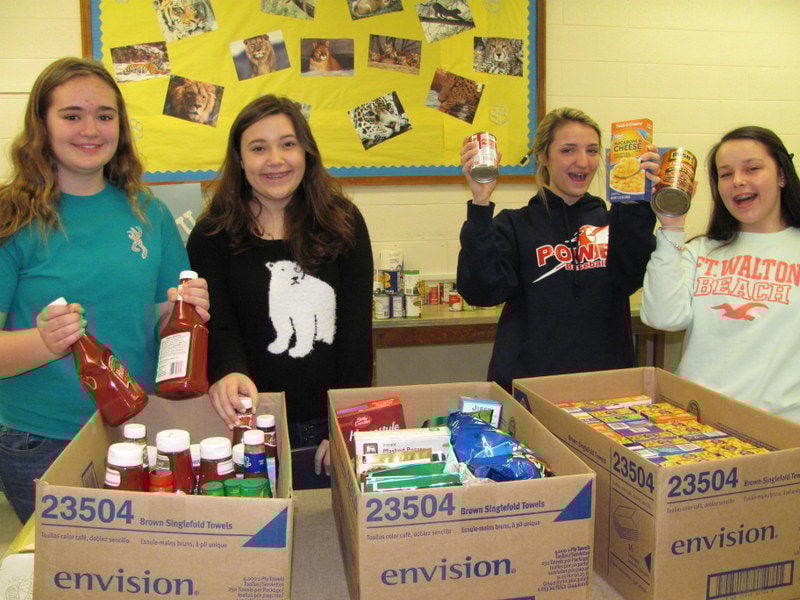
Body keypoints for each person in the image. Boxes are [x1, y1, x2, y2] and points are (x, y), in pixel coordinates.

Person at [0, 57, 210, 524]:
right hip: (43, 440)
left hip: (138, 426)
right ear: (42, 125)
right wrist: (42, 343)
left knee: (134, 570)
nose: (90, 129)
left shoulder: (148, 213)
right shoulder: (11, 218)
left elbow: (162, 318)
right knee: (68, 580)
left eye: (105, 115)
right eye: (72, 115)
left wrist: (187, 315)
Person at [186, 95, 373, 486]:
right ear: (239, 160)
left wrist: (346, 421)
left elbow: (356, 332)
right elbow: (218, 327)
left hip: (325, 423)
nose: (276, 159)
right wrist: (229, 371)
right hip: (243, 423)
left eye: (288, 144)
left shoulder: (344, 223)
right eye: (258, 148)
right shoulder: (211, 233)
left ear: (306, 152)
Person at [457, 107, 658, 390]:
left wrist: (638, 200)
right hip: (529, 384)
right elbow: (482, 293)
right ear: (543, 156)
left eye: (591, 151)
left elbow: (630, 278)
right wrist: (480, 204)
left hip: (606, 383)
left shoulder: (615, 222)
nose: (583, 162)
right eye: (568, 150)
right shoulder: (514, 225)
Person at [641, 126, 800, 422]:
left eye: (752, 168)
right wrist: (672, 226)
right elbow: (662, 318)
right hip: (696, 423)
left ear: (781, 176)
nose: (738, 181)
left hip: (780, 430)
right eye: (725, 174)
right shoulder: (701, 250)